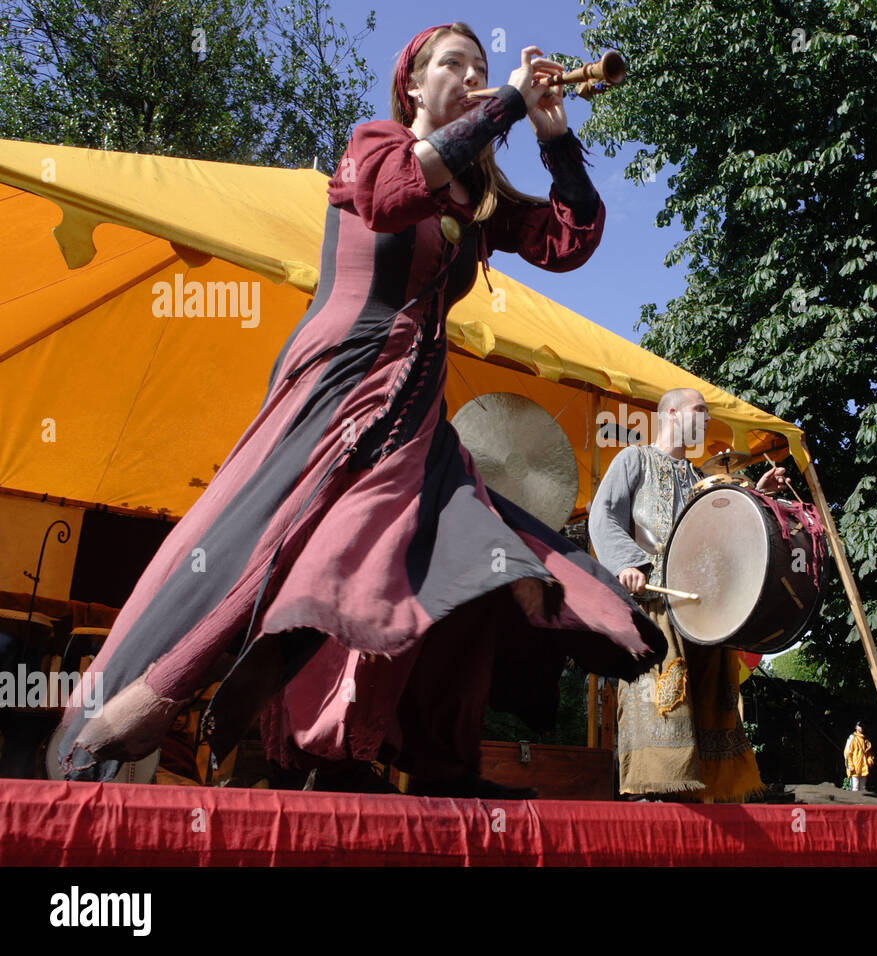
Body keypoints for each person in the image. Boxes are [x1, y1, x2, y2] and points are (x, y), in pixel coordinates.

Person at [49, 22, 665, 796]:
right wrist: (506, 100)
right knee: (276, 531)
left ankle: (427, 755)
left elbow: (567, 241)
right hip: (344, 376)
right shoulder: (372, 144)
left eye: (482, 64)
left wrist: (554, 140)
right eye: (455, 63)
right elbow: (387, 194)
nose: (473, 73)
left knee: (475, 552)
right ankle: (144, 702)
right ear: (411, 84)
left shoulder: (478, 198)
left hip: (415, 397)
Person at [589, 388, 783, 801]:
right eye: (701, 411)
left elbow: (725, 535)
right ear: (673, 413)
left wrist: (761, 496)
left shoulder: (700, 479)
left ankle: (705, 806)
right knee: (662, 700)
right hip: (654, 602)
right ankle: (655, 802)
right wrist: (627, 564)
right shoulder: (633, 459)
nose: (707, 419)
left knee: (710, 707)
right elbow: (602, 514)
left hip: (701, 612)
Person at [844, 721, 874, 791]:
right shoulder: (852, 738)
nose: (861, 727)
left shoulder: (865, 740)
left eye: (862, 726)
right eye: (859, 725)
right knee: (854, 788)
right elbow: (848, 753)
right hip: (854, 768)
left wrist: (870, 761)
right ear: (856, 727)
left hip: (863, 768)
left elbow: (869, 753)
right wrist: (850, 766)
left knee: (863, 789)